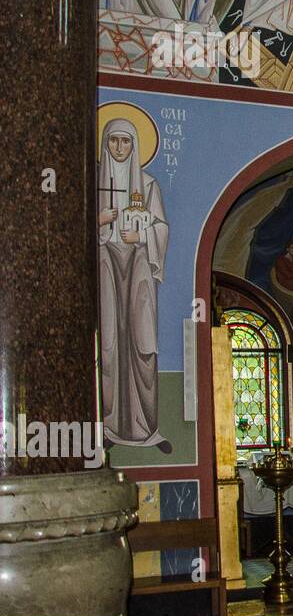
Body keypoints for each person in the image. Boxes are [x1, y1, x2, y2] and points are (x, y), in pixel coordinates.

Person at [98, 118, 170, 451]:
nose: (119, 148)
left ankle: (146, 428)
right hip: (106, 262)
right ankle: (111, 426)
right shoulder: (94, 184)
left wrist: (141, 235)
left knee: (143, 341)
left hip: (139, 263)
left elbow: (160, 227)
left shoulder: (150, 184)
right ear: (105, 144)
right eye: (113, 141)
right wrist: (100, 221)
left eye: (126, 142)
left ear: (135, 145)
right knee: (111, 342)